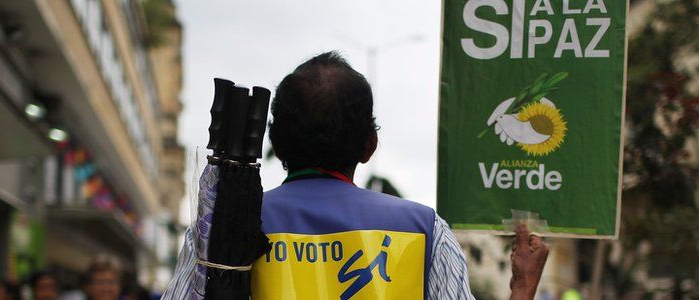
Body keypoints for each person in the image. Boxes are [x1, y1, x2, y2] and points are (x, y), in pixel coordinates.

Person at [164, 52, 548, 300]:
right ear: (370, 145)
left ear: (276, 145)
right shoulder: (424, 230)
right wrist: (523, 287)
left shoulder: (221, 226)